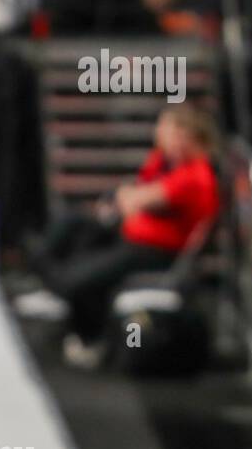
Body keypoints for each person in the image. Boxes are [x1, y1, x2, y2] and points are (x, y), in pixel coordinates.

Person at [16, 105, 220, 366]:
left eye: (164, 128)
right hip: (132, 238)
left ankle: (90, 336)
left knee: (73, 280)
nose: (158, 134)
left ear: (183, 134)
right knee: (77, 226)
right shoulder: (166, 163)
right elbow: (130, 193)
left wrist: (130, 200)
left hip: (154, 252)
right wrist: (128, 200)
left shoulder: (195, 176)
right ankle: (76, 317)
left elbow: (138, 198)